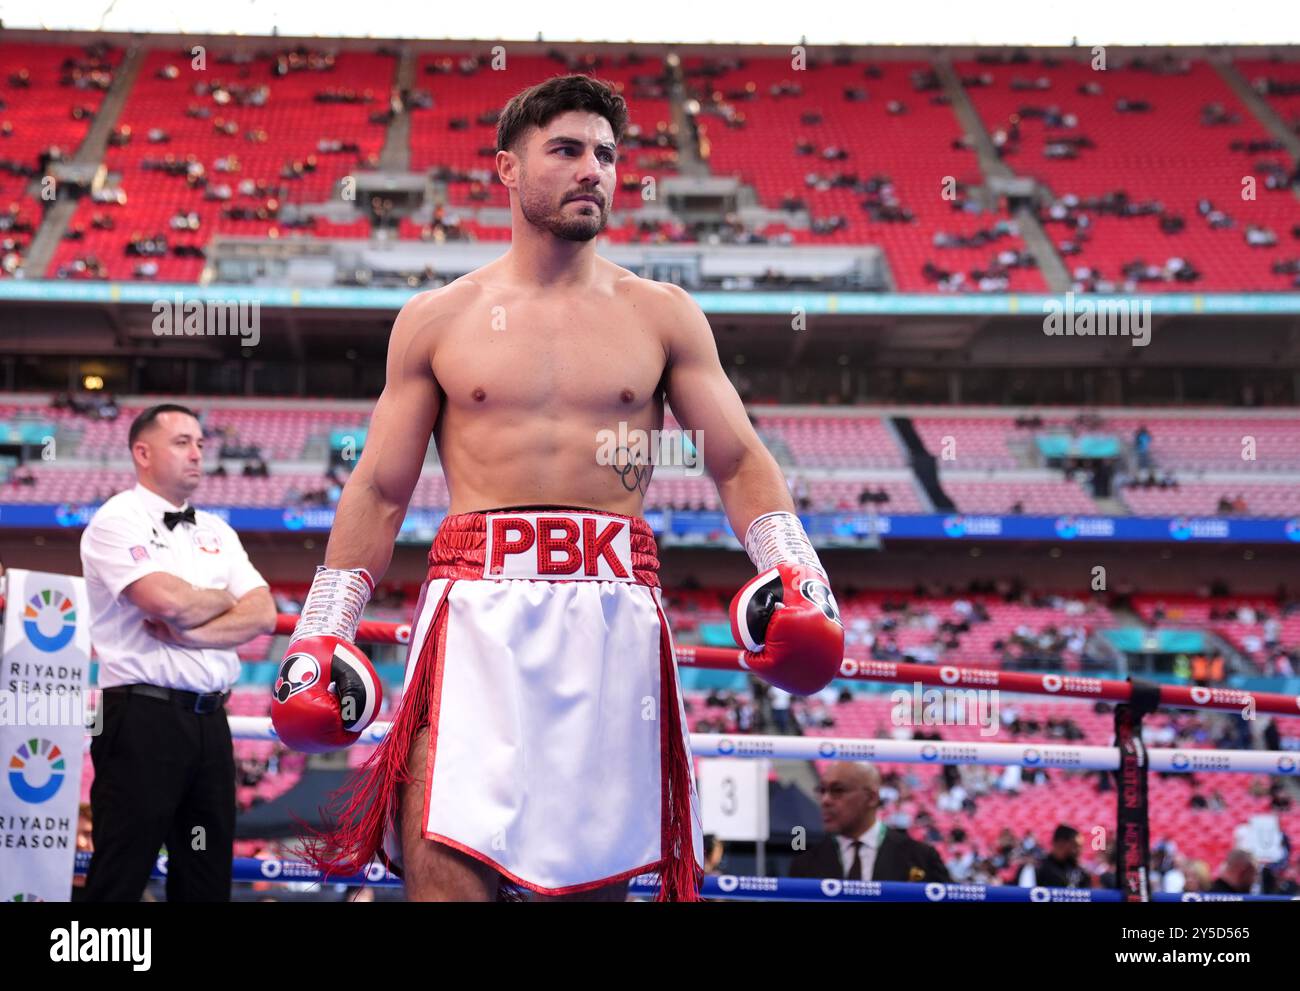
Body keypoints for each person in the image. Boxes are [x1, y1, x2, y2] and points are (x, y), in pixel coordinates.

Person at [271, 75, 845, 903]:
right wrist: (326, 627)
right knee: (442, 859)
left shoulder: (662, 313)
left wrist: (793, 566)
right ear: (507, 168)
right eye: (568, 150)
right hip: (472, 609)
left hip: (609, 612)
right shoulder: (438, 318)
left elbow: (737, 457)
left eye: (607, 156)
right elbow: (379, 489)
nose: (594, 172)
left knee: (588, 884)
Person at [78, 404, 276, 901]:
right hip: (140, 715)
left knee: (206, 877)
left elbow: (264, 614)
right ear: (142, 453)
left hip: (211, 721)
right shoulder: (115, 520)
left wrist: (194, 632)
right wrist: (223, 600)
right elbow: (165, 602)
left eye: (201, 444)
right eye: (182, 442)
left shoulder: (217, 530)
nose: (197, 453)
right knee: (121, 870)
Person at [787, 762, 949, 883]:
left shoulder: (921, 858)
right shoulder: (805, 862)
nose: (825, 800)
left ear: (871, 798)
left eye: (838, 790)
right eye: (822, 791)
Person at [1024, 824, 1093, 888]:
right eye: (1075, 846)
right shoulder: (1036, 868)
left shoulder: (1081, 873)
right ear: (1061, 843)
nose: (1079, 850)